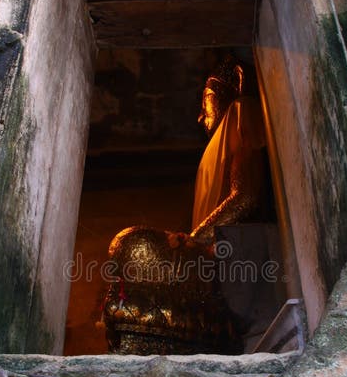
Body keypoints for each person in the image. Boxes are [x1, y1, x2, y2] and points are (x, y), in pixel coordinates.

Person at [103, 57, 267, 354]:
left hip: (228, 256)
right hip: (216, 261)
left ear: (233, 87)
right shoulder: (221, 139)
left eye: (206, 103)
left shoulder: (241, 113)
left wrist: (193, 239)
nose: (201, 118)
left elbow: (245, 196)